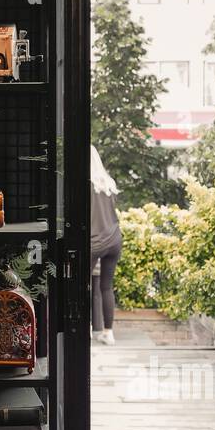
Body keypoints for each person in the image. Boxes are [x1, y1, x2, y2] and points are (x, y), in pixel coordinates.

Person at [90, 144, 122, 346]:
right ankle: (108, 333)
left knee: (81, 286)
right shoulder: (108, 183)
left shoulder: (87, 184)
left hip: (94, 242)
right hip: (114, 239)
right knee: (106, 287)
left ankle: (86, 331)